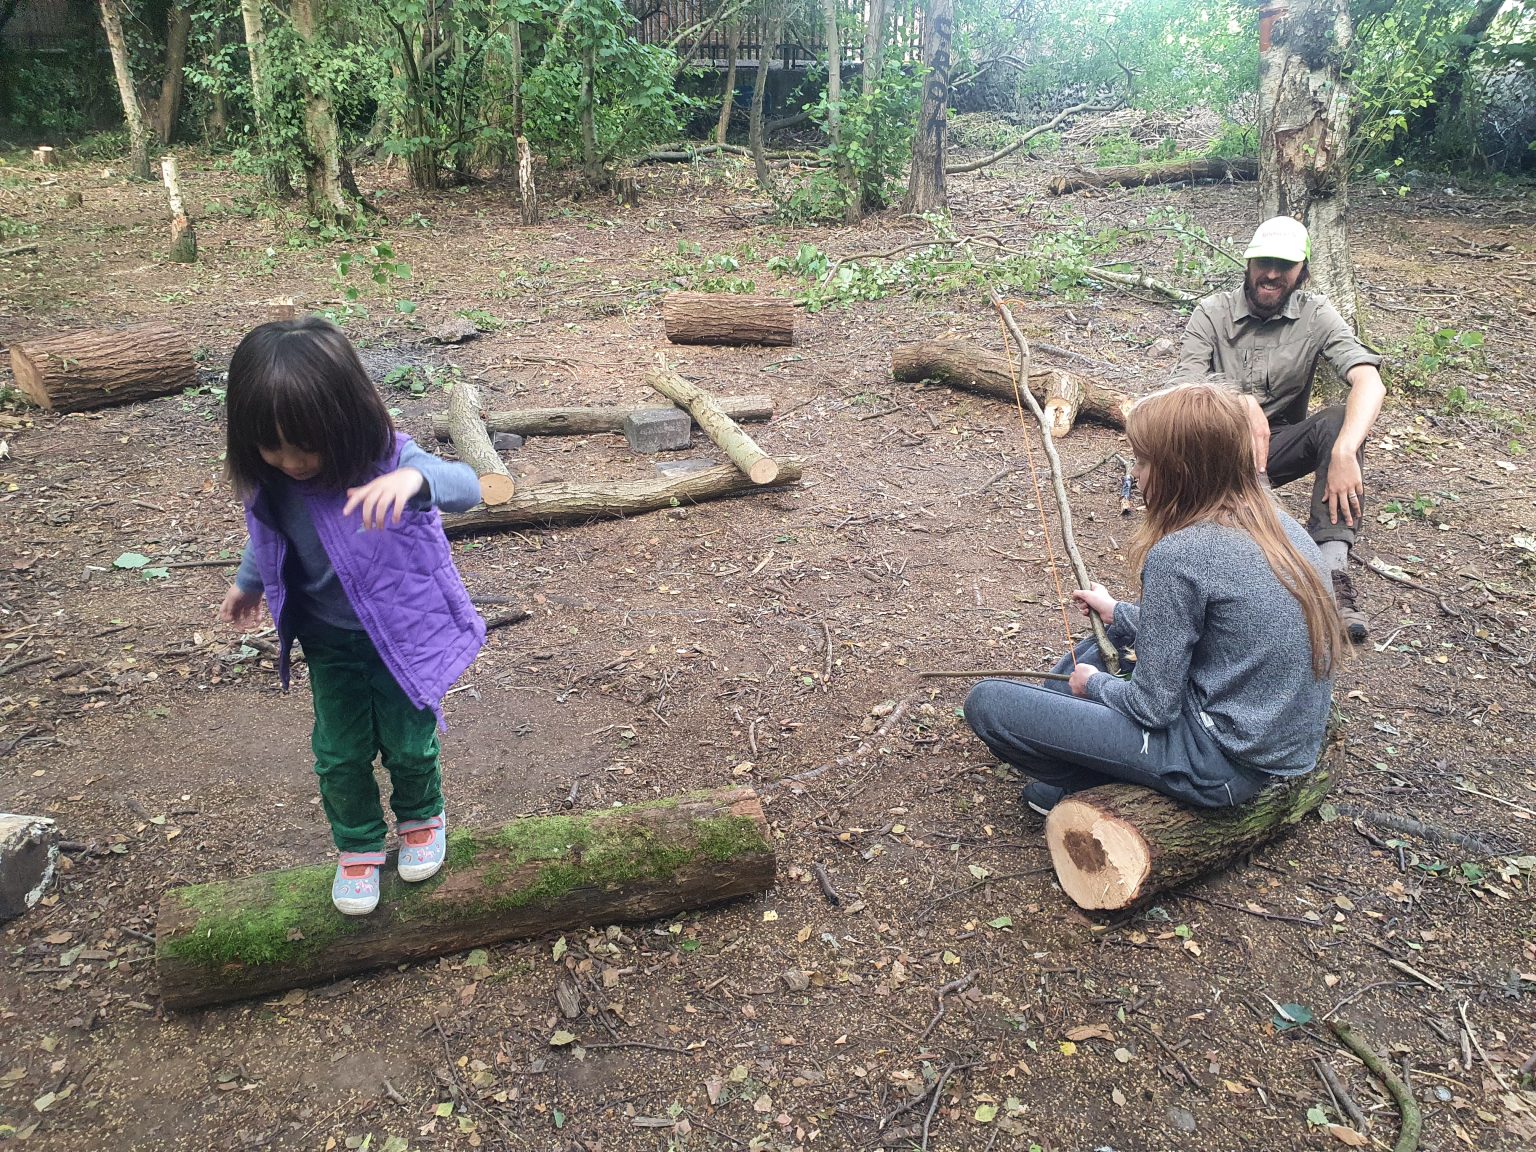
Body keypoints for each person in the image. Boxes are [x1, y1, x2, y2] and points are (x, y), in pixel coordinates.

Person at [963, 382, 1341, 816]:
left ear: (1179, 470)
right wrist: (1118, 614)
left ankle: (1085, 782)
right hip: (1271, 738)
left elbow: (1153, 708)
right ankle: (1090, 764)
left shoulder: (1181, 554)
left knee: (991, 702)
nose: (1136, 474)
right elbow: (1223, 636)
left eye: (1143, 462)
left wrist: (1095, 685)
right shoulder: (1279, 524)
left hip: (1223, 762)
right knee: (1094, 646)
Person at [218, 317, 486, 915]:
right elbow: (266, 538)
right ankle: (358, 844)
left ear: (345, 416)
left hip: (402, 636)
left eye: (305, 444)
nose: (291, 461)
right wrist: (248, 584)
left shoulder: (386, 456)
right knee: (338, 752)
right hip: (328, 641)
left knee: (408, 743)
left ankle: (421, 818)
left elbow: (468, 485)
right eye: (272, 446)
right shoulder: (273, 483)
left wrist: (413, 478)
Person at [1176, 215, 1386, 642]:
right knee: (1236, 548)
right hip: (1212, 450)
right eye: (1263, 262)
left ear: (1302, 272)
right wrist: (1236, 401)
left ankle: (1332, 578)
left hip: (1274, 450)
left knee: (1337, 422)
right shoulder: (1211, 314)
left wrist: (1346, 450)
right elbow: (1184, 390)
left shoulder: (1316, 315)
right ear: (1248, 264)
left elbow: (1369, 380)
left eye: (1284, 265)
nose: (1271, 273)